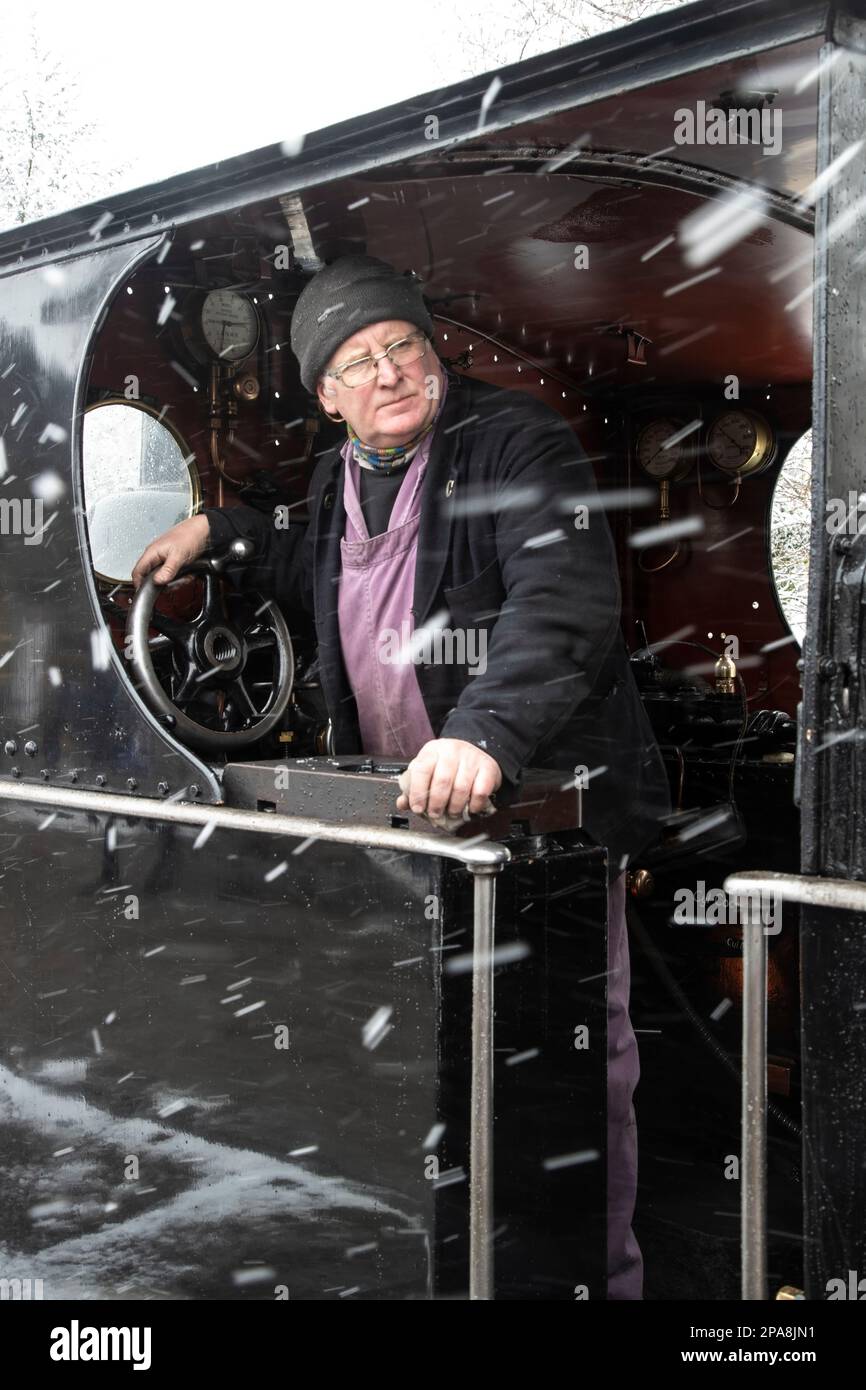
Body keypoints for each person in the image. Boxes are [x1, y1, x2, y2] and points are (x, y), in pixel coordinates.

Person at [131, 253, 671, 1298]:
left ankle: (590, 1281)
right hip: (403, 829)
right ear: (328, 398)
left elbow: (559, 600)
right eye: (359, 362)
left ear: (434, 356)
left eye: (403, 349)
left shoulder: (514, 440)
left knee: (564, 1080)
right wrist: (217, 531)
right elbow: (302, 556)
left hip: (532, 831)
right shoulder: (337, 480)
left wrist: (485, 732)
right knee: (426, 1067)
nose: (388, 374)